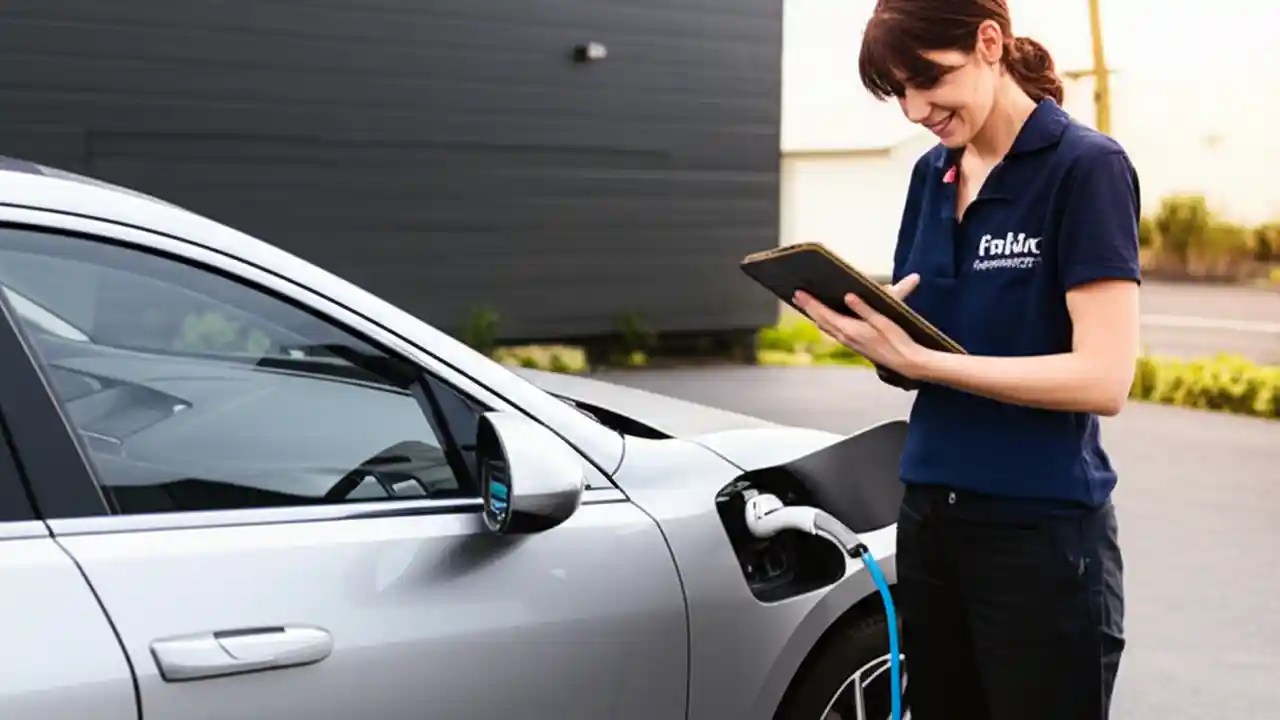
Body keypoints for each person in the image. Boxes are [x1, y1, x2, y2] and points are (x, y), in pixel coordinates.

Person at [791, 1, 1137, 719]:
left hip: (1039, 532)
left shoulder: (1085, 168)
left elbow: (1103, 378)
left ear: (989, 42)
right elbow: (927, 345)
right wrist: (877, 340)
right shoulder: (931, 175)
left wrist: (927, 365)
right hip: (930, 519)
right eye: (898, 91)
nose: (916, 109)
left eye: (927, 80)